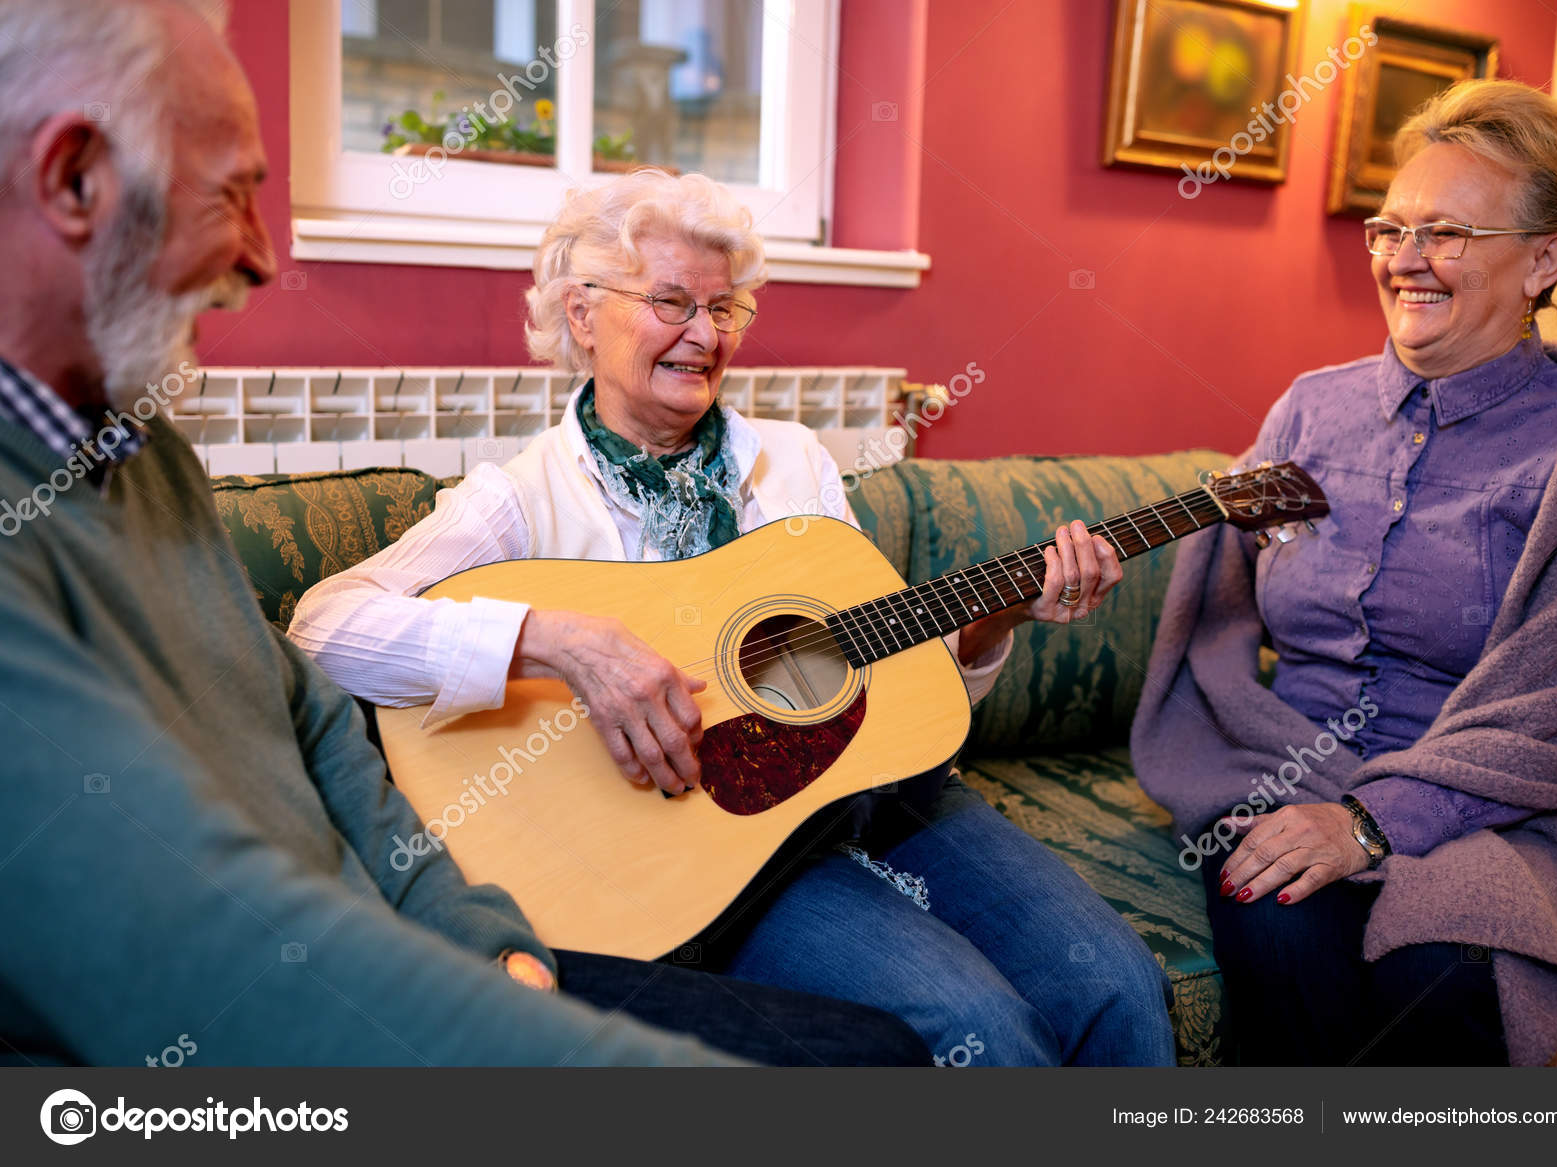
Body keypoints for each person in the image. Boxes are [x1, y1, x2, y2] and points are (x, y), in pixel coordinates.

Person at [0, 0, 933, 1068]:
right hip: (252, 1035)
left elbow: (312, 736)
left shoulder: (138, 451)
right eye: (233, 195)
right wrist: (558, 642)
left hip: (409, 939)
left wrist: (478, 935)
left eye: (722, 308)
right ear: (73, 181)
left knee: (892, 1052)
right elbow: (200, 952)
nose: (263, 259)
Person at [288, 168, 1177, 1066]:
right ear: (583, 314)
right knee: (982, 1034)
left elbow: (884, 684)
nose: (705, 335)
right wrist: (556, 640)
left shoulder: (795, 465)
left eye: (726, 308)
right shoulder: (518, 500)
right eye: (672, 301)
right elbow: (322, 626)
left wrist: (998, 621)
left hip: (882, 799)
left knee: (1117, 985)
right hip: (731, 855)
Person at [1132, 79, 1557, 1066]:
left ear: (1545, 259)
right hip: (1283, 767)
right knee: (1274, 913)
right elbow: (1215, 593)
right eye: (1390, 229)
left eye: (1448, 235)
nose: (1403, 260)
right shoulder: (1311, 409)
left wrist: (1372, 821)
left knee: (1440, 975)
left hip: (1491, 806)